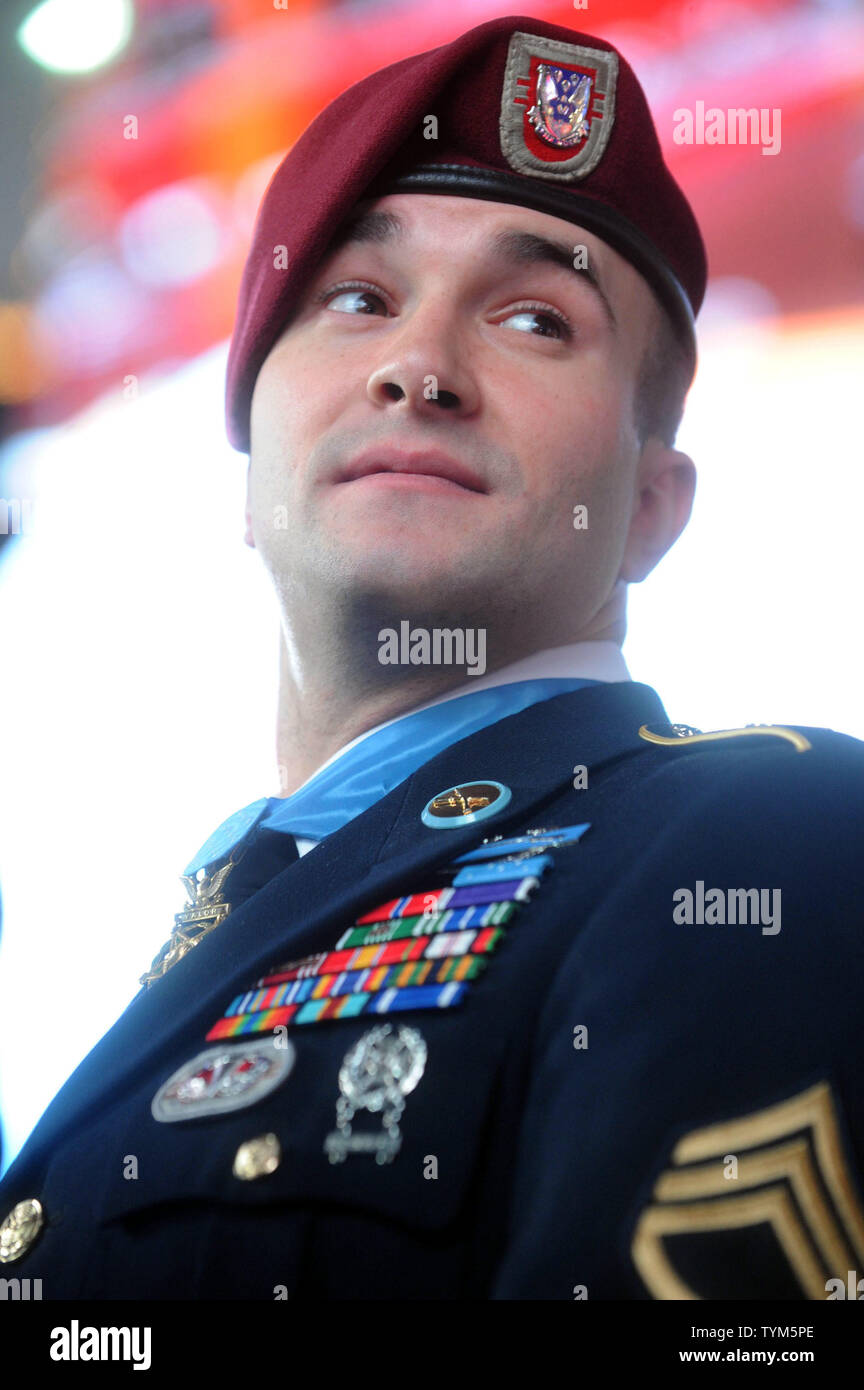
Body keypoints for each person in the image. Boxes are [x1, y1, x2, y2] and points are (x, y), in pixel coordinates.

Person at [1, 14, 863, 1302]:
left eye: (534, 319)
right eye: (357, 298)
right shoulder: (226, 916)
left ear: (651, 506)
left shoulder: (768, 835)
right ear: (249, 474)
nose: (419, 368)